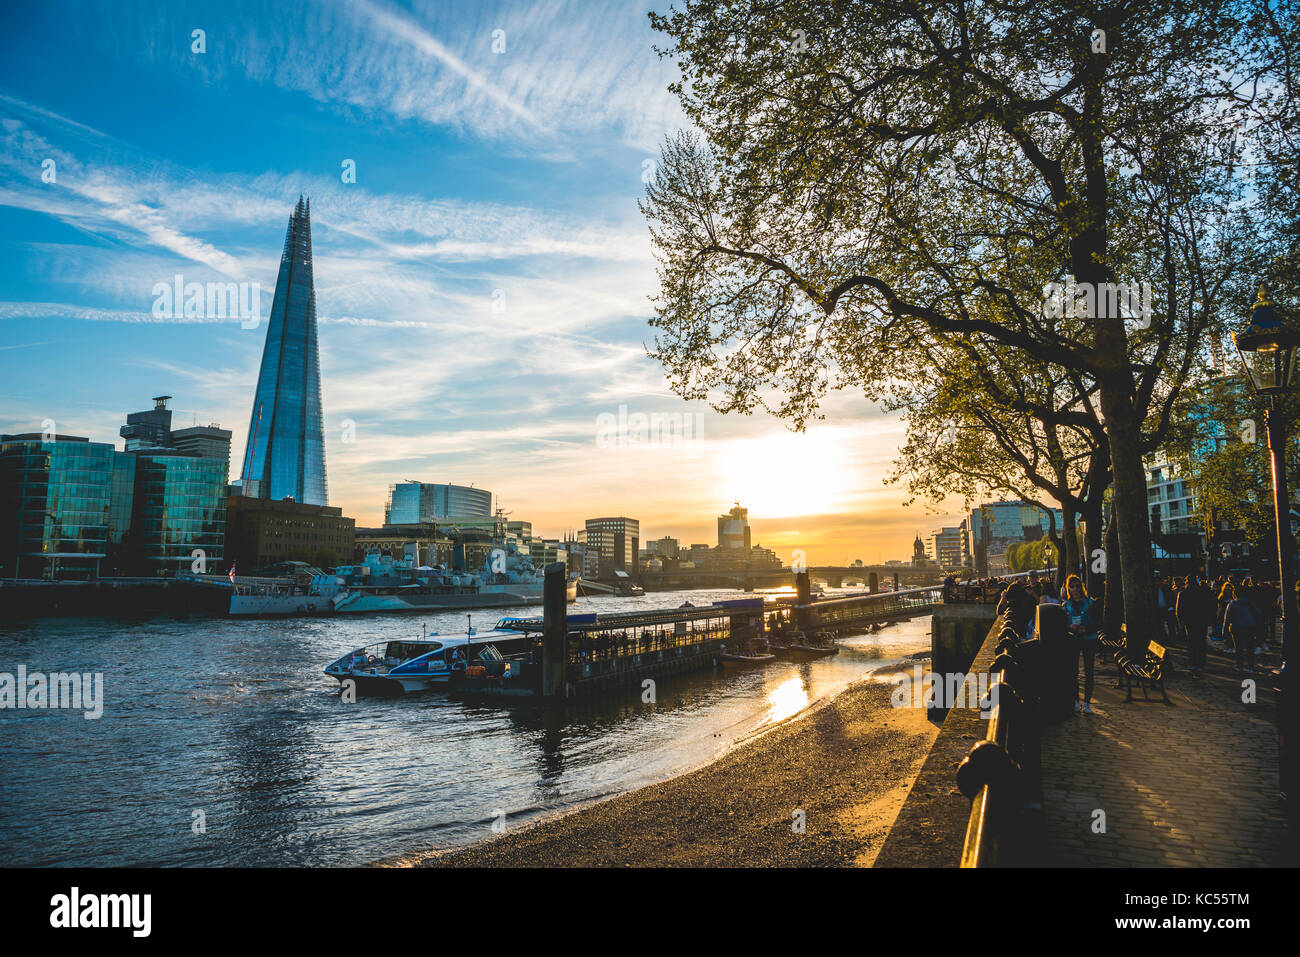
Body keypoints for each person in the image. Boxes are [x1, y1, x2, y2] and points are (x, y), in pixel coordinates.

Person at [1062, 574, 1099, 714]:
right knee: (1073, 671)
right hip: (1074, 640)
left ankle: (1087, 702)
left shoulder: (1090, 603)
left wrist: (1087, 629)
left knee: (1089, 671)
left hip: (1089, 639)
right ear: (1068, 589)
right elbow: (1062, 624)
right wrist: (1069, 627)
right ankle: (1076, 700)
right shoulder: (1066, 605)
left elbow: (1097, 622)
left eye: (1077, 586)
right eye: (1072, 586)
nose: (1075, 589)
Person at [1222, 584, 1260, 675]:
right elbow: (1258, 614)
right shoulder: (1251, 603)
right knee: (1250, 648)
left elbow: (1227, 618)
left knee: (1238, 648)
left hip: (1237, 627)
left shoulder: (1232, 604)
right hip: (1250, 627)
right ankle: (1251, 667)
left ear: (1235, 594)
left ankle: (1240, 666)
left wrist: (1225, 629)